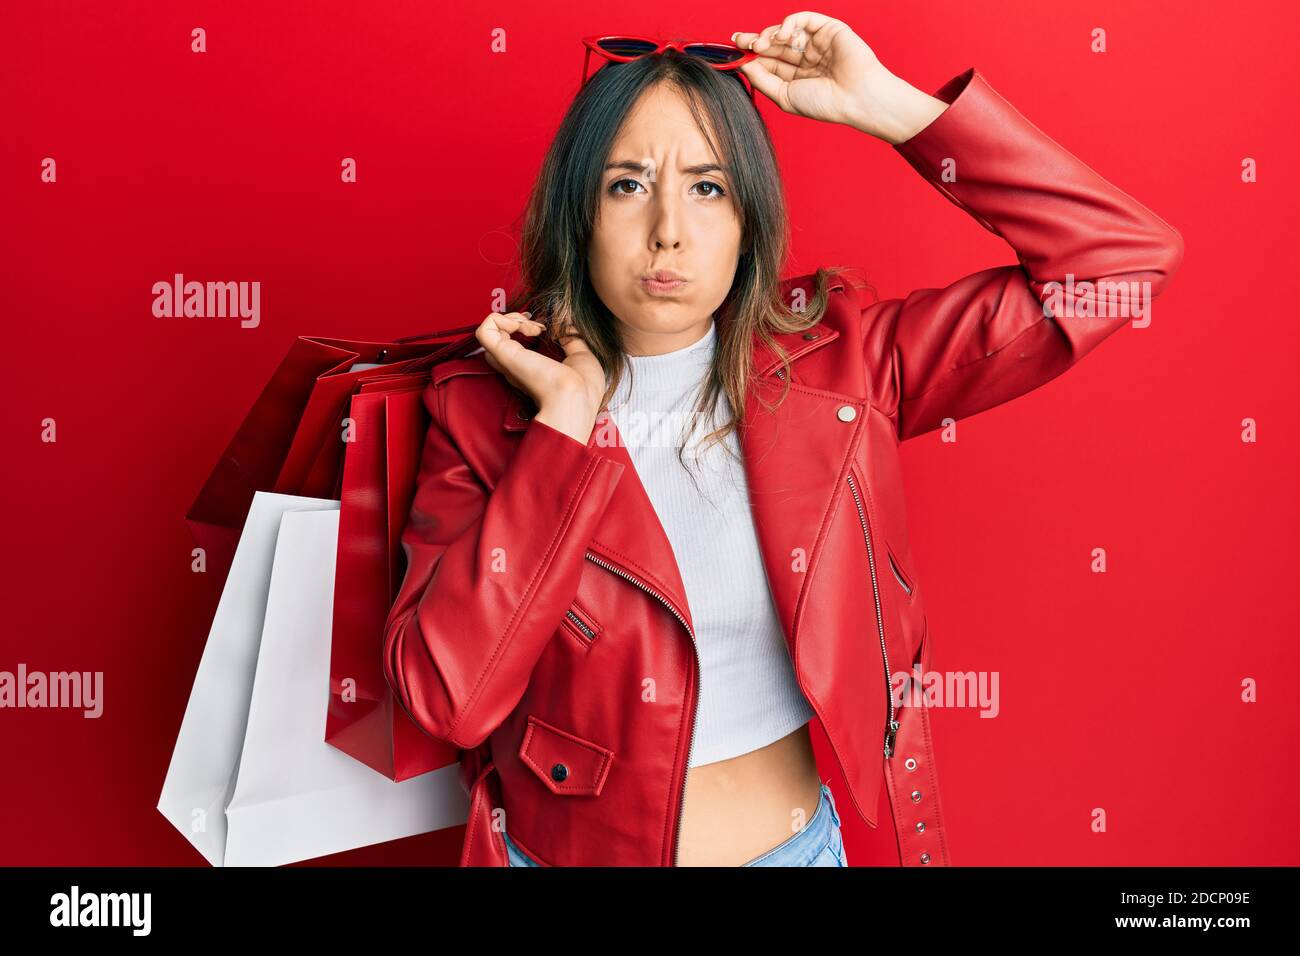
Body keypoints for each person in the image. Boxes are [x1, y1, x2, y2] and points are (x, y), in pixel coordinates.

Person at [383, 13, 1184, 867]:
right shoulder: (482, 410)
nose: (668, 231)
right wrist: (561, 433)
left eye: (707, 187)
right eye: (625, 185)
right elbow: (448, 698)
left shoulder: (845, 369)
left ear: (749, 218)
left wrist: (890, 107)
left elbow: (1118, 267)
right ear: (576, 214)